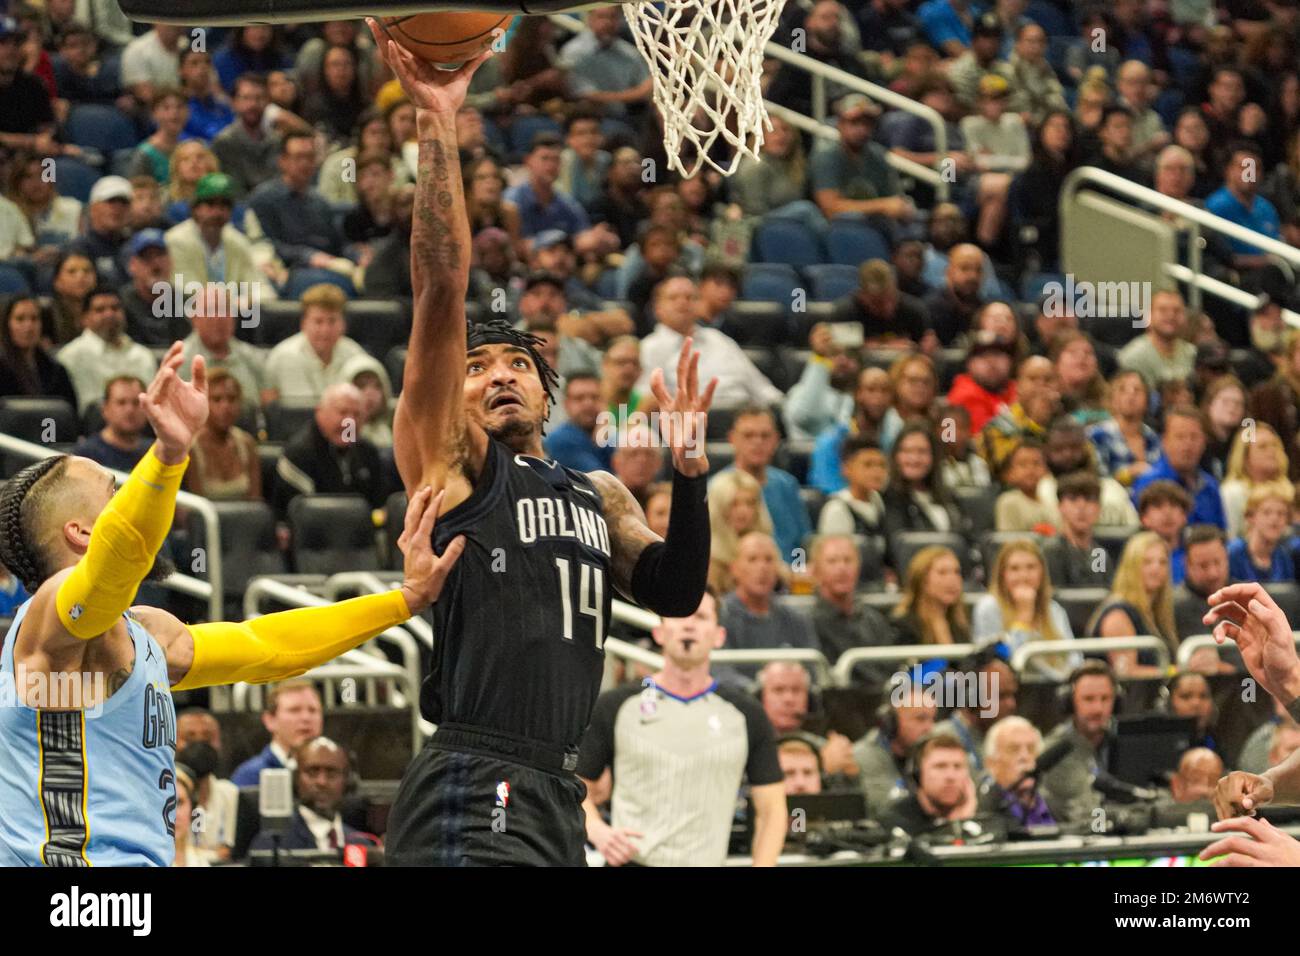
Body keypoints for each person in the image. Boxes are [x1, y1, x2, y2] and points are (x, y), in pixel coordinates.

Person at [369, 24, 714, 867]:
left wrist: (692, 475)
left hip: (557, 789)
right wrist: (438, 122)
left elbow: (672, 592)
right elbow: (440, 286)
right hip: (473, 770)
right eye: (477, 365)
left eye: (517, 363)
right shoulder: (454, 464)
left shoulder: (596, 493)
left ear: (545, 387)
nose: (497, 376)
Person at [0, 342, 459, 865]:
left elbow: (265, 646)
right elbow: (117, 561)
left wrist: (403, 601)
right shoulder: (49, 621)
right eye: (115, 492)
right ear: (82, 532)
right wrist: (168, 456)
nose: (136, 500)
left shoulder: (147, 633)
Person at [577, 592, 785, 866]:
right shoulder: (616, 705)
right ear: (659, 633)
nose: (689, 625)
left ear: (719, 635)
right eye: (680, 615)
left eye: (701, 617)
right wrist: (597, 831)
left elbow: (772, 810)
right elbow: (574, 789)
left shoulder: (747, 714)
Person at [636, 275, 783, 412]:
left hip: (741, 416)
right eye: (673, 298)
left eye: (690, 297)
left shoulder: (719, 339)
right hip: (690, 422)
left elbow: (760, 387)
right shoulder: (648, 348)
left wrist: (781, 407)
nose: (683, 303)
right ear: (657, 308)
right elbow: (646, 400)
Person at [272, 382, 389, 514]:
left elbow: (380, 506)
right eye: (342, 412)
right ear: (319, 413)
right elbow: (297, 515)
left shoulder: (368, 452)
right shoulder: (298, 454)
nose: (349, 422)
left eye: (356, 414)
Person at [248, 737, 380, 853]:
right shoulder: (272, 845)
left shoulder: (362, 846)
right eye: (312, 772)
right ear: (295, 779)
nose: (321, 782)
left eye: (332, 773)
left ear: (348, 782)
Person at [720, 406, 811, 564]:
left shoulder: (787, 485)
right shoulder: (717, 488)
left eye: (765, 436)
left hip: (787, 582)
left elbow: (801, 544)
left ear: (776, 439)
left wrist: (798, 571)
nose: (758, 442)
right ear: (732, 439)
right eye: (748, 435)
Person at [719, 533, 817, 672]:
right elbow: (722, 673)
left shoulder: (796, 620)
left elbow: (812, 672)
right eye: (752, 559)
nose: (762, 568)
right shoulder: (720, 616)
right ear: (734, 568)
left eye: (769, 560)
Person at [1086, 531, 1179, 677]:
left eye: (1162, 562)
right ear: (1132, 567)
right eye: (1147, 562)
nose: (1156, 568)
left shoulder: (1158, 613)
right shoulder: (1118, 614)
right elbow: (1127, 672)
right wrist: (1177, 672)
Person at [57, 286, 158, 413]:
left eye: (115, 308)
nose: (109, 314)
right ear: (84, 318)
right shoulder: (70, 356)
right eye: (100, 310)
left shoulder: (143, 355)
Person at [809, 534, 895, 683]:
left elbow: (893, 669)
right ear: (816, 571)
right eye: (832, 561)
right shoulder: (808, 623)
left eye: (848, 560)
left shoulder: (874, 620)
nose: (842, 568)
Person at [262, 284, 366, 407]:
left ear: (343, 324)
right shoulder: (282, 357)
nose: (325, 330)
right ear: (304, 323)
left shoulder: (356, 355)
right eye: (318, 321)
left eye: (332, 321)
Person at [1039, 660, 1115, 824]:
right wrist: (1122, 819)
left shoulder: (1122, 741)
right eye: (1088, 699)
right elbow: (1090, 816)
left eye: (1105, 699)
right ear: (1070, 702)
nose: (1098, 709)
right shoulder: (1057, 751)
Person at [1133, 405, 1227, 529]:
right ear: (1164, 441)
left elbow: (1221, 535)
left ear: (1204, 442)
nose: (1187, 445)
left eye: (1194, 437)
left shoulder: (1210, 486)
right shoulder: (1148, 484)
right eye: (1180, 437)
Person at [881, 422, 963, 557]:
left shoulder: (949, 497)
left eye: (922, 451)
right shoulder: (888, 500)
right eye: (907, 451)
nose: (914, 458)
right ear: (895, 456)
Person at [852, 684, 937, 815]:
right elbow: (885, 810)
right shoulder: (865, 755)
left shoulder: (930, 753)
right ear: (891, 722)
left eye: (932, 719)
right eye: (920, 719)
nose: (929, 728)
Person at [878, 732, 978, 836]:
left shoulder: (982, 816)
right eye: (940, 766)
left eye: (958, 767)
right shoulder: (895, 823)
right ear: (918, 773)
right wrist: (955, 826)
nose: (951, 776)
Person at [230, 680, 324, 786]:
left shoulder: (335, 772)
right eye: (294, 710)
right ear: (270, 720)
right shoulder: (251, 776)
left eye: (313, 710)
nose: (306, 718)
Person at [186, 368, 261, 501]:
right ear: (203, 403)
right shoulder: (190, 448)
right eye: (216, 399)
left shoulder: (247, 444)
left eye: (232, 399)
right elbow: (195, 509)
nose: (225, 407)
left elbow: (255, 505)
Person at [1086, 370, 1161, 487]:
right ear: (1112, 399)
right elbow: (1098, 482)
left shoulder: (1153, 438)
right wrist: (1128, 474)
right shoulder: (1097, 435)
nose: (1131, 394)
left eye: (1137, 390)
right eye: (1122, 389)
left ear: (1147, 401)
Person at [0, 293, 76, 405]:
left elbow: (68, 411)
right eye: (20, 319)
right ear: (7, 325)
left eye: (34, 319)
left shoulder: (55, 370)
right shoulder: (2, 367)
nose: (28, 327)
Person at [707, 469, 774, 595]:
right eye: (734, 504)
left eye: (750, 503)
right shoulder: (708, 561)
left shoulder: (764, 548)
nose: (743, 511)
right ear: (719, 507)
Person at [1042, 471, 1113, 588]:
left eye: (1089, 499)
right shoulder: (1051, 551)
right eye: (1073, 499)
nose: (1081, 507)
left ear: (1099, 508)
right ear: (1060, 507)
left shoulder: (1099, 553)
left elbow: (1101, 593)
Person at [1220, 421, 1290, 538]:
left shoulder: (1288, 490)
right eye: (1263, 447)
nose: (1272, 451)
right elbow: (1229, 537)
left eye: (1275, 445)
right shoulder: (1232, 493)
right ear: (1245, 457)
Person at [891, 545, 971, 646]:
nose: (953, 580)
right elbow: (912, 662)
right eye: (942, 573)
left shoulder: (961, 624)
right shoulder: (904, 626)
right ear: (922, 581)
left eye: (957, 572)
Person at [1117, 289, 1197, 389]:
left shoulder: (1192, 353)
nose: (1171, 316)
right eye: (1163, 310)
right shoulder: (1133, 357)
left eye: (1177, 311)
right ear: (1147, 316)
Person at [72, 376, 150, 472]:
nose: (130, 410)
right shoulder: (86, 456)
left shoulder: (155, 452)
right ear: (105, 409)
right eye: (121, 403)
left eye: (136, 403)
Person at [817, 435, 886, 539]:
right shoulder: (836, 509)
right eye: (868, 465)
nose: (877, 472)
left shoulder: (879, 500)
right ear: (847, 469)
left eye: (881, 465)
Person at [1227, 482, 1297, 583]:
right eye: (1266, 512)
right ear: (1250, 517)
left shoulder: (1284, 557)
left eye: (1281, 513)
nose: (1274, 519)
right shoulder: (1232, 553)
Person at [946, 332, 1015, 434]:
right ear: (969, 364)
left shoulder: (1016, 389)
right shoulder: (963, 396)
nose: (992, 362)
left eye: (998, 354)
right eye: (983, 356)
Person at [543, 373, 612, 472]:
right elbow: (600, 480)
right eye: (579, 398)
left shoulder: (606, 433)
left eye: (595, 397)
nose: (588, 404)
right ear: (566, 404)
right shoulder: (560, 441)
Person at [994, 438, 1052, 532]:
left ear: (1046, 470)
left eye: (1036, 463)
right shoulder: (1008, 502)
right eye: (1022, 464)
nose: (1030, 470)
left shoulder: (1052, 501)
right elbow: (1008, 541)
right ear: (1010, 472)